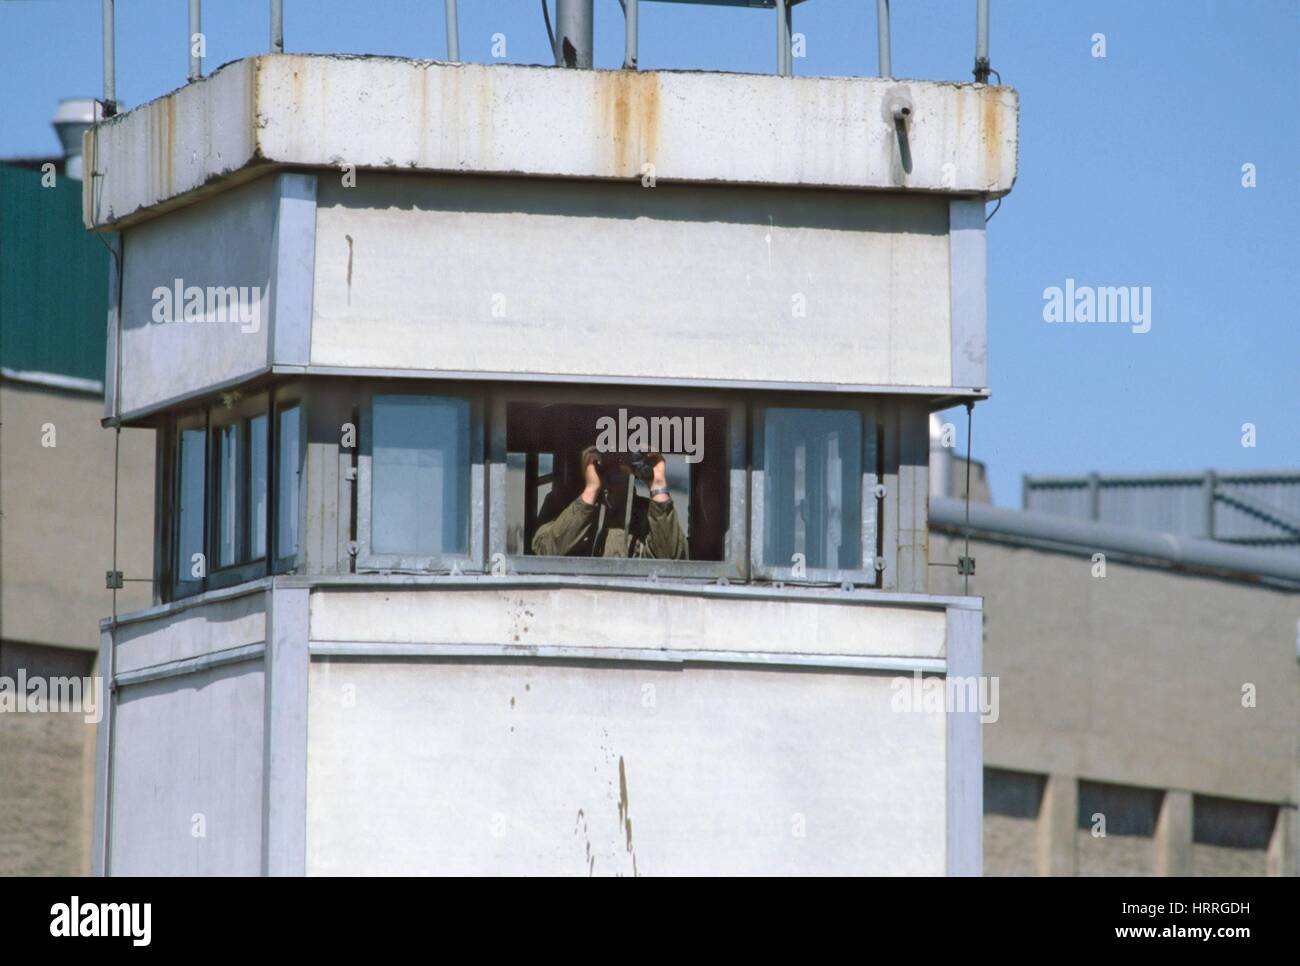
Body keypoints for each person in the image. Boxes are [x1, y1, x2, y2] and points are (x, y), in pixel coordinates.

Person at [531, 446, 688, 559]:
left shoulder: (650, 514)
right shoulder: (563, 505)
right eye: (607, 456)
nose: (615, 468)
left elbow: (673, 559)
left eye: (624, 458)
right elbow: (546, 553)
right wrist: (591, 490)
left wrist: (658, 485)